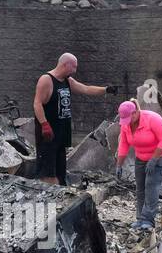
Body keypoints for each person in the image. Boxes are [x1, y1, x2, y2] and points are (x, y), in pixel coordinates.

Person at [32, 52, 117, 186]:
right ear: (65, 65)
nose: (75, 71)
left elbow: (86, 89)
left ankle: (60, 195)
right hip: (48, 134)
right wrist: (44, 124)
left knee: (60, 169)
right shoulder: (46, 79)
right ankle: (48, 195)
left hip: (61, 133)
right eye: (74, 67)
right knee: (48, 171)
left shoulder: (68, 81)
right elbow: (37, 103)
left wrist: (106, 90)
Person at [114, 99, 162, 230]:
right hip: (141, 157)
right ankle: (140, 218)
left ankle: (148, 220)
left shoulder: (153, 119)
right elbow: (123, 144)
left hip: (160, 155)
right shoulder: (126, 125)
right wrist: (119, 165)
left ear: (135, 113)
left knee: (151, 186)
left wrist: (154, 160)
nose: (126, 123)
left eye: (128, 119)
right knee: (140, 187)